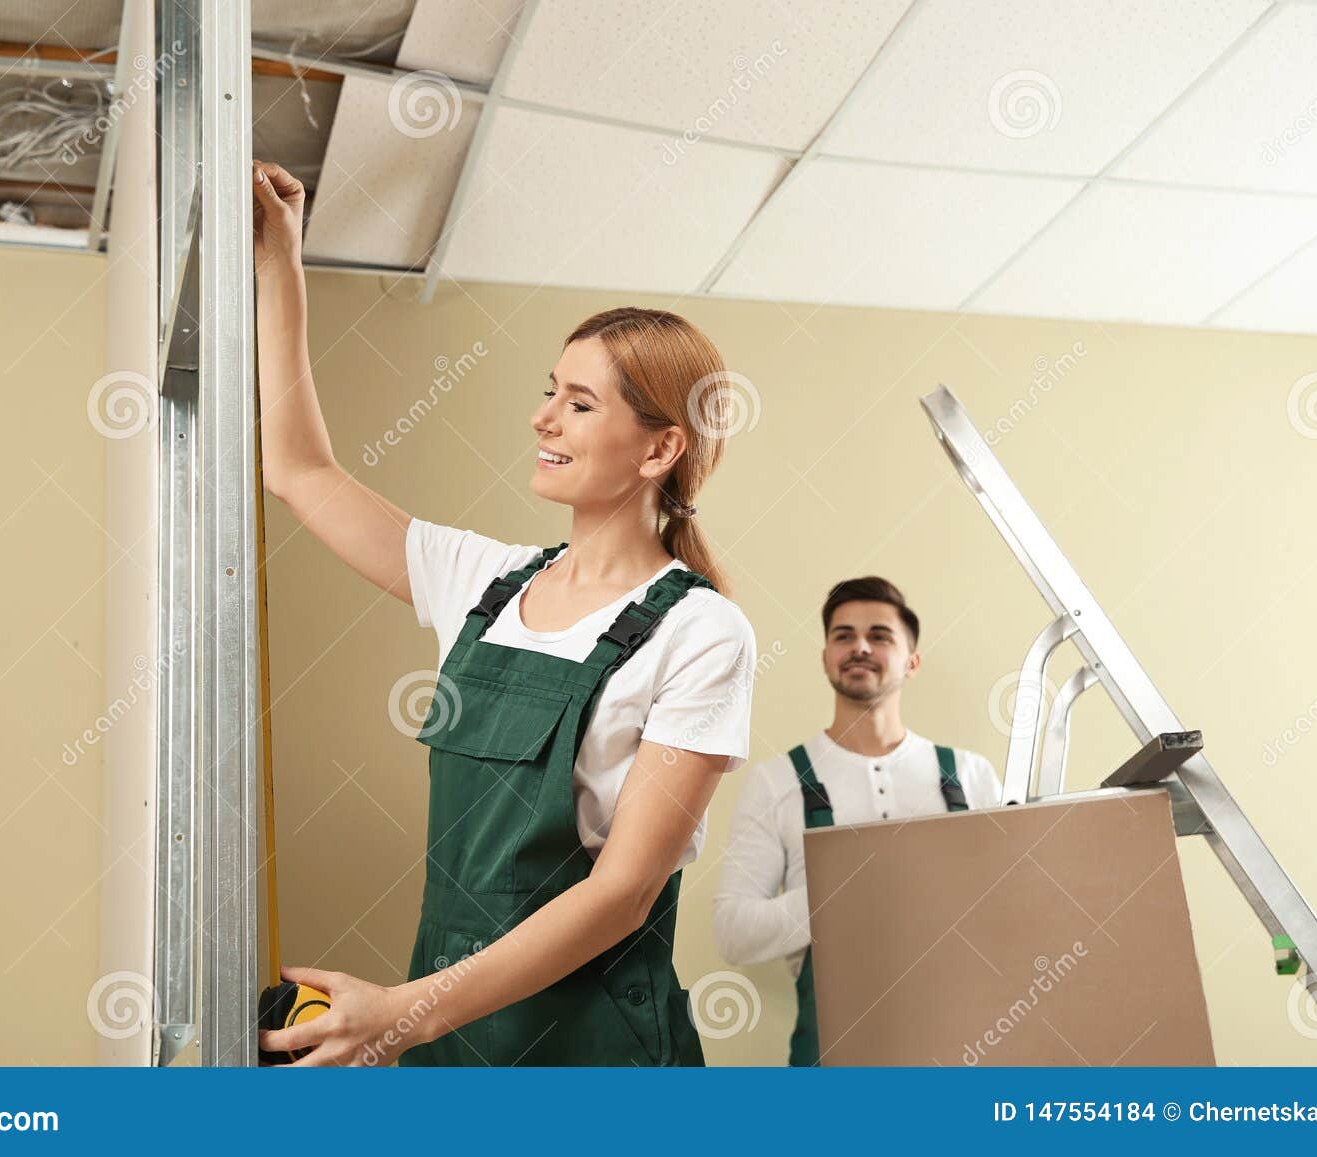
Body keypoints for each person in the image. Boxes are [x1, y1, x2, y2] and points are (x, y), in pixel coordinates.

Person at [249, 160, 757, 1066]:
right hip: (451, 1036)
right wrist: (280, 261)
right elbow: (299, 471)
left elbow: (623, 893)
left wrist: (406, 1013)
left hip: (594, 1056)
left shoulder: (700, 632)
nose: (543, 418)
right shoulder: (482, 583)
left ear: (661, 447)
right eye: (549, 389)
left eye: (580, 402)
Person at [712, 576, 1001, 1066]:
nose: (860, 646)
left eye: (880, 635)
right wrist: (844, 894)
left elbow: (1011, 919)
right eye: (843, 635)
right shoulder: (775, 782)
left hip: (967, 1052)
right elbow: (732, 933)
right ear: (826, 656)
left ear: (913, 661)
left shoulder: (971, 776)